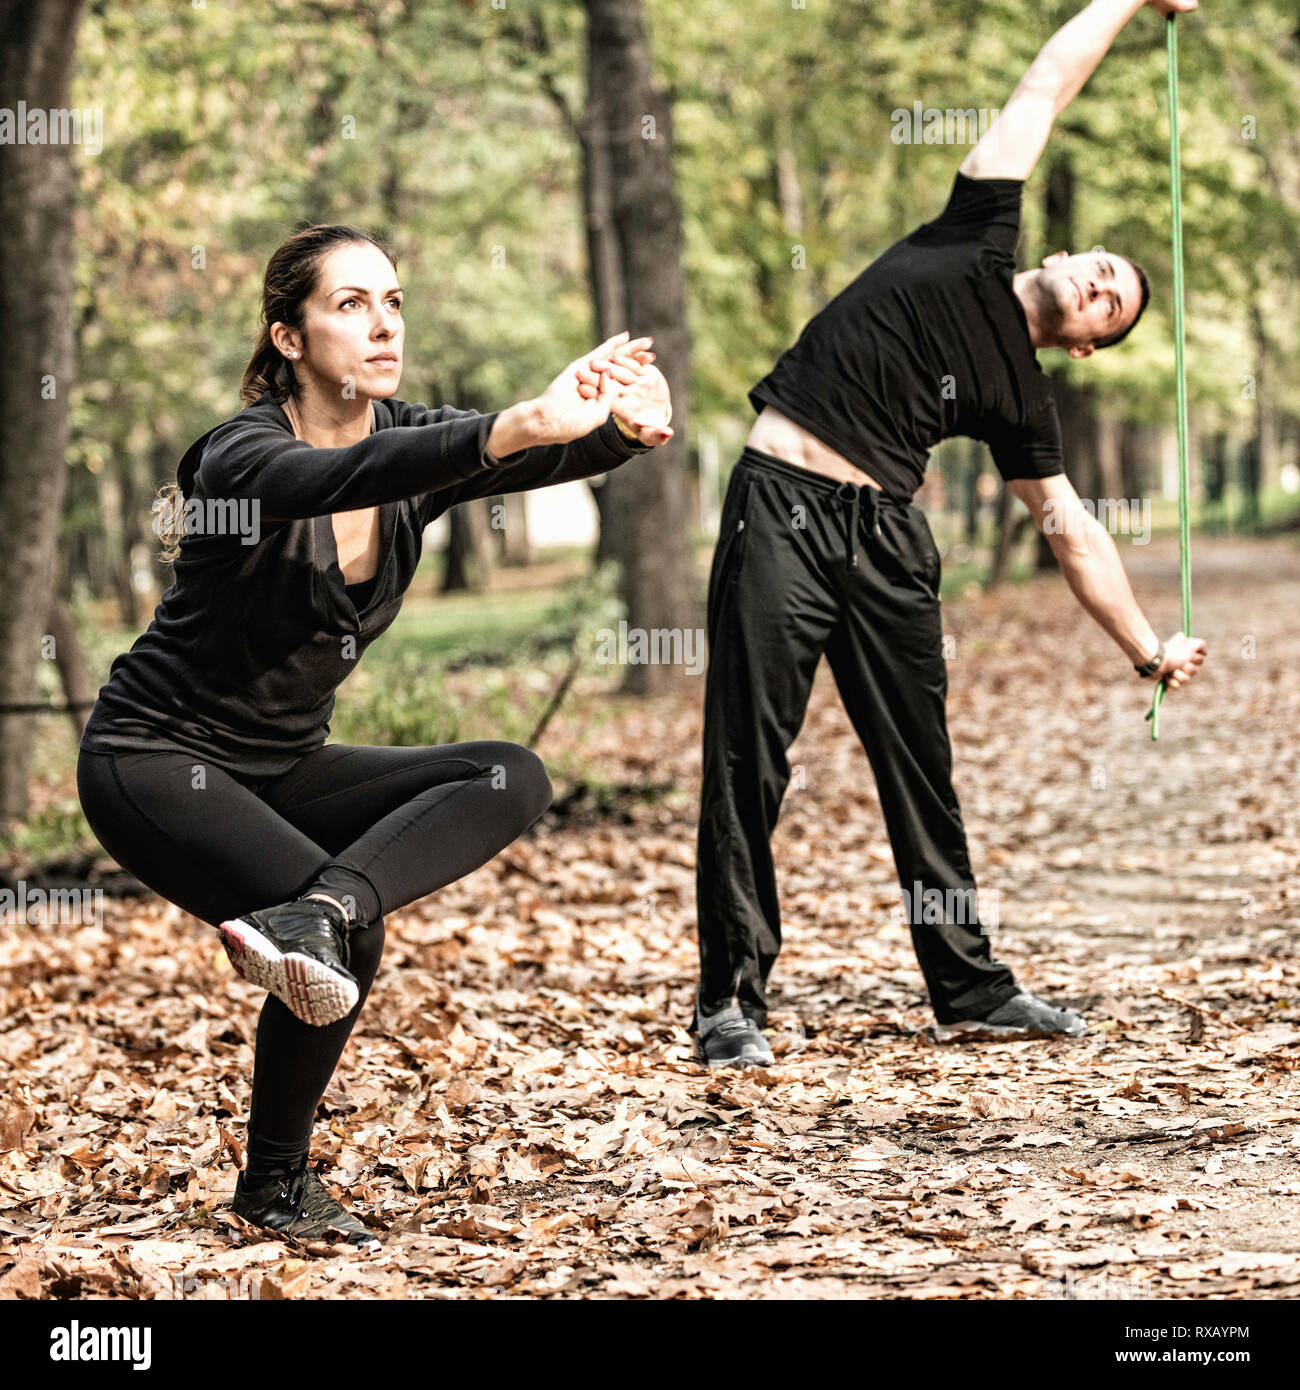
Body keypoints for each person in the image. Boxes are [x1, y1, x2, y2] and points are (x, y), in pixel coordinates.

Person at [76, 223, 673, 1247]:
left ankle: (320, 918)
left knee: (507, 773)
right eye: (349, 304)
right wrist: (514, 423)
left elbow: (515, 458)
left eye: (392, 300)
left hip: (283, 765)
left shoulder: (413, 438)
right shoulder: (239, 455)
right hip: (155, 758)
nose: (381, 322)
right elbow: (337, 478)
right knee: (349, 935)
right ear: (289, 337)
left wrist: (619, 429)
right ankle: (276, 1179)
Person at [693, 0, 1207, 1068]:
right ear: (1063, 252)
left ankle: (968, 986)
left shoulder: (1024, 397)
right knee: (749, 756)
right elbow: (1043, 89)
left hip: (884, 538)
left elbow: (1069, 527)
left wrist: (1144, 646)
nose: (1099, 284)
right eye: (1103, 267)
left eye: (1111, 305)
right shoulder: (971, 232)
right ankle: (729, 999)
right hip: (781, 505)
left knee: (919, 767)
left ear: (1090, 346)